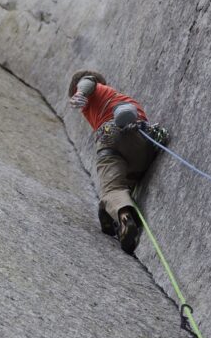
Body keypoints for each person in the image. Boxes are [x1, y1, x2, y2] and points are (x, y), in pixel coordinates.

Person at [68, 70, 158, 254]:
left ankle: (124, 217)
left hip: (111, 134)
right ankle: (108, 212)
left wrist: (80, 93)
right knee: (126, 180)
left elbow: (88, 80)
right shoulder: (115, 98)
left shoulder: (95, 89)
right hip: (142, 143)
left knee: (112, 187)